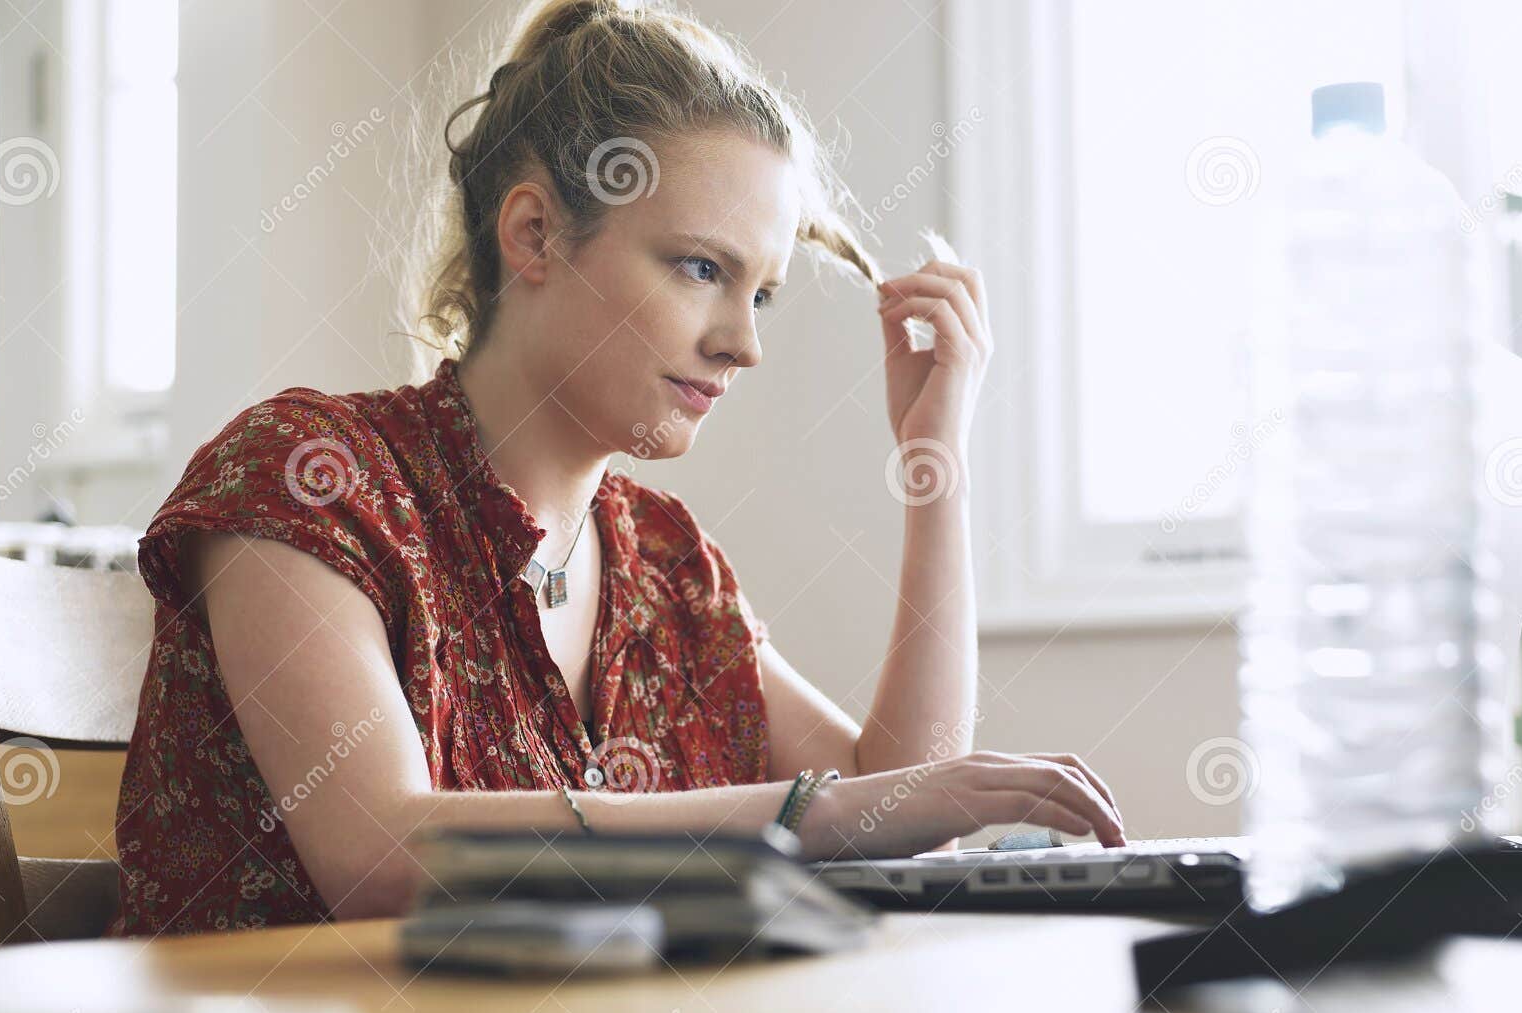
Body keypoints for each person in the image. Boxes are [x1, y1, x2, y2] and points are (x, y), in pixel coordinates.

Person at [109, 0, 1124, 938]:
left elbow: (899, 805)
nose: (742, 343)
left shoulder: (667, 567)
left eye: (761, 293)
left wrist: (933, 456)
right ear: (534, 234)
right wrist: (812, 816)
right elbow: (380, 855)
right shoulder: (309, 474)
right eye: (700, 268)